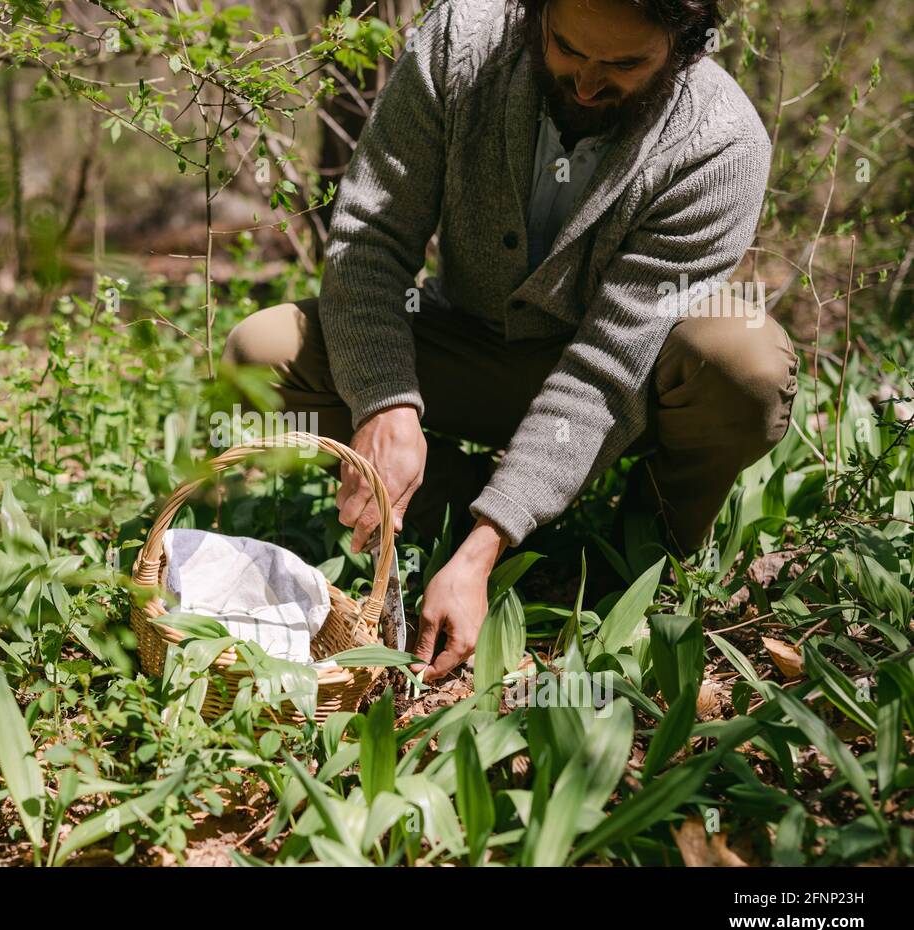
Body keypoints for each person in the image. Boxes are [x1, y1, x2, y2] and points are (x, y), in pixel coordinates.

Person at [222, 0, 799, 681]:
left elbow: (607, 365)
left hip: (623, 381)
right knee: (261, 351)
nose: (586, 85)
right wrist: (385, 403)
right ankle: (438, 507)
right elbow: (370, 242)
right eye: (567, 49)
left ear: (685, 48)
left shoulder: (721, 147)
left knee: (746, 363)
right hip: (466, 341)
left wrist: (486, 549)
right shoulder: (461, 44)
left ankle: (635, 556)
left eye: (622, 64)